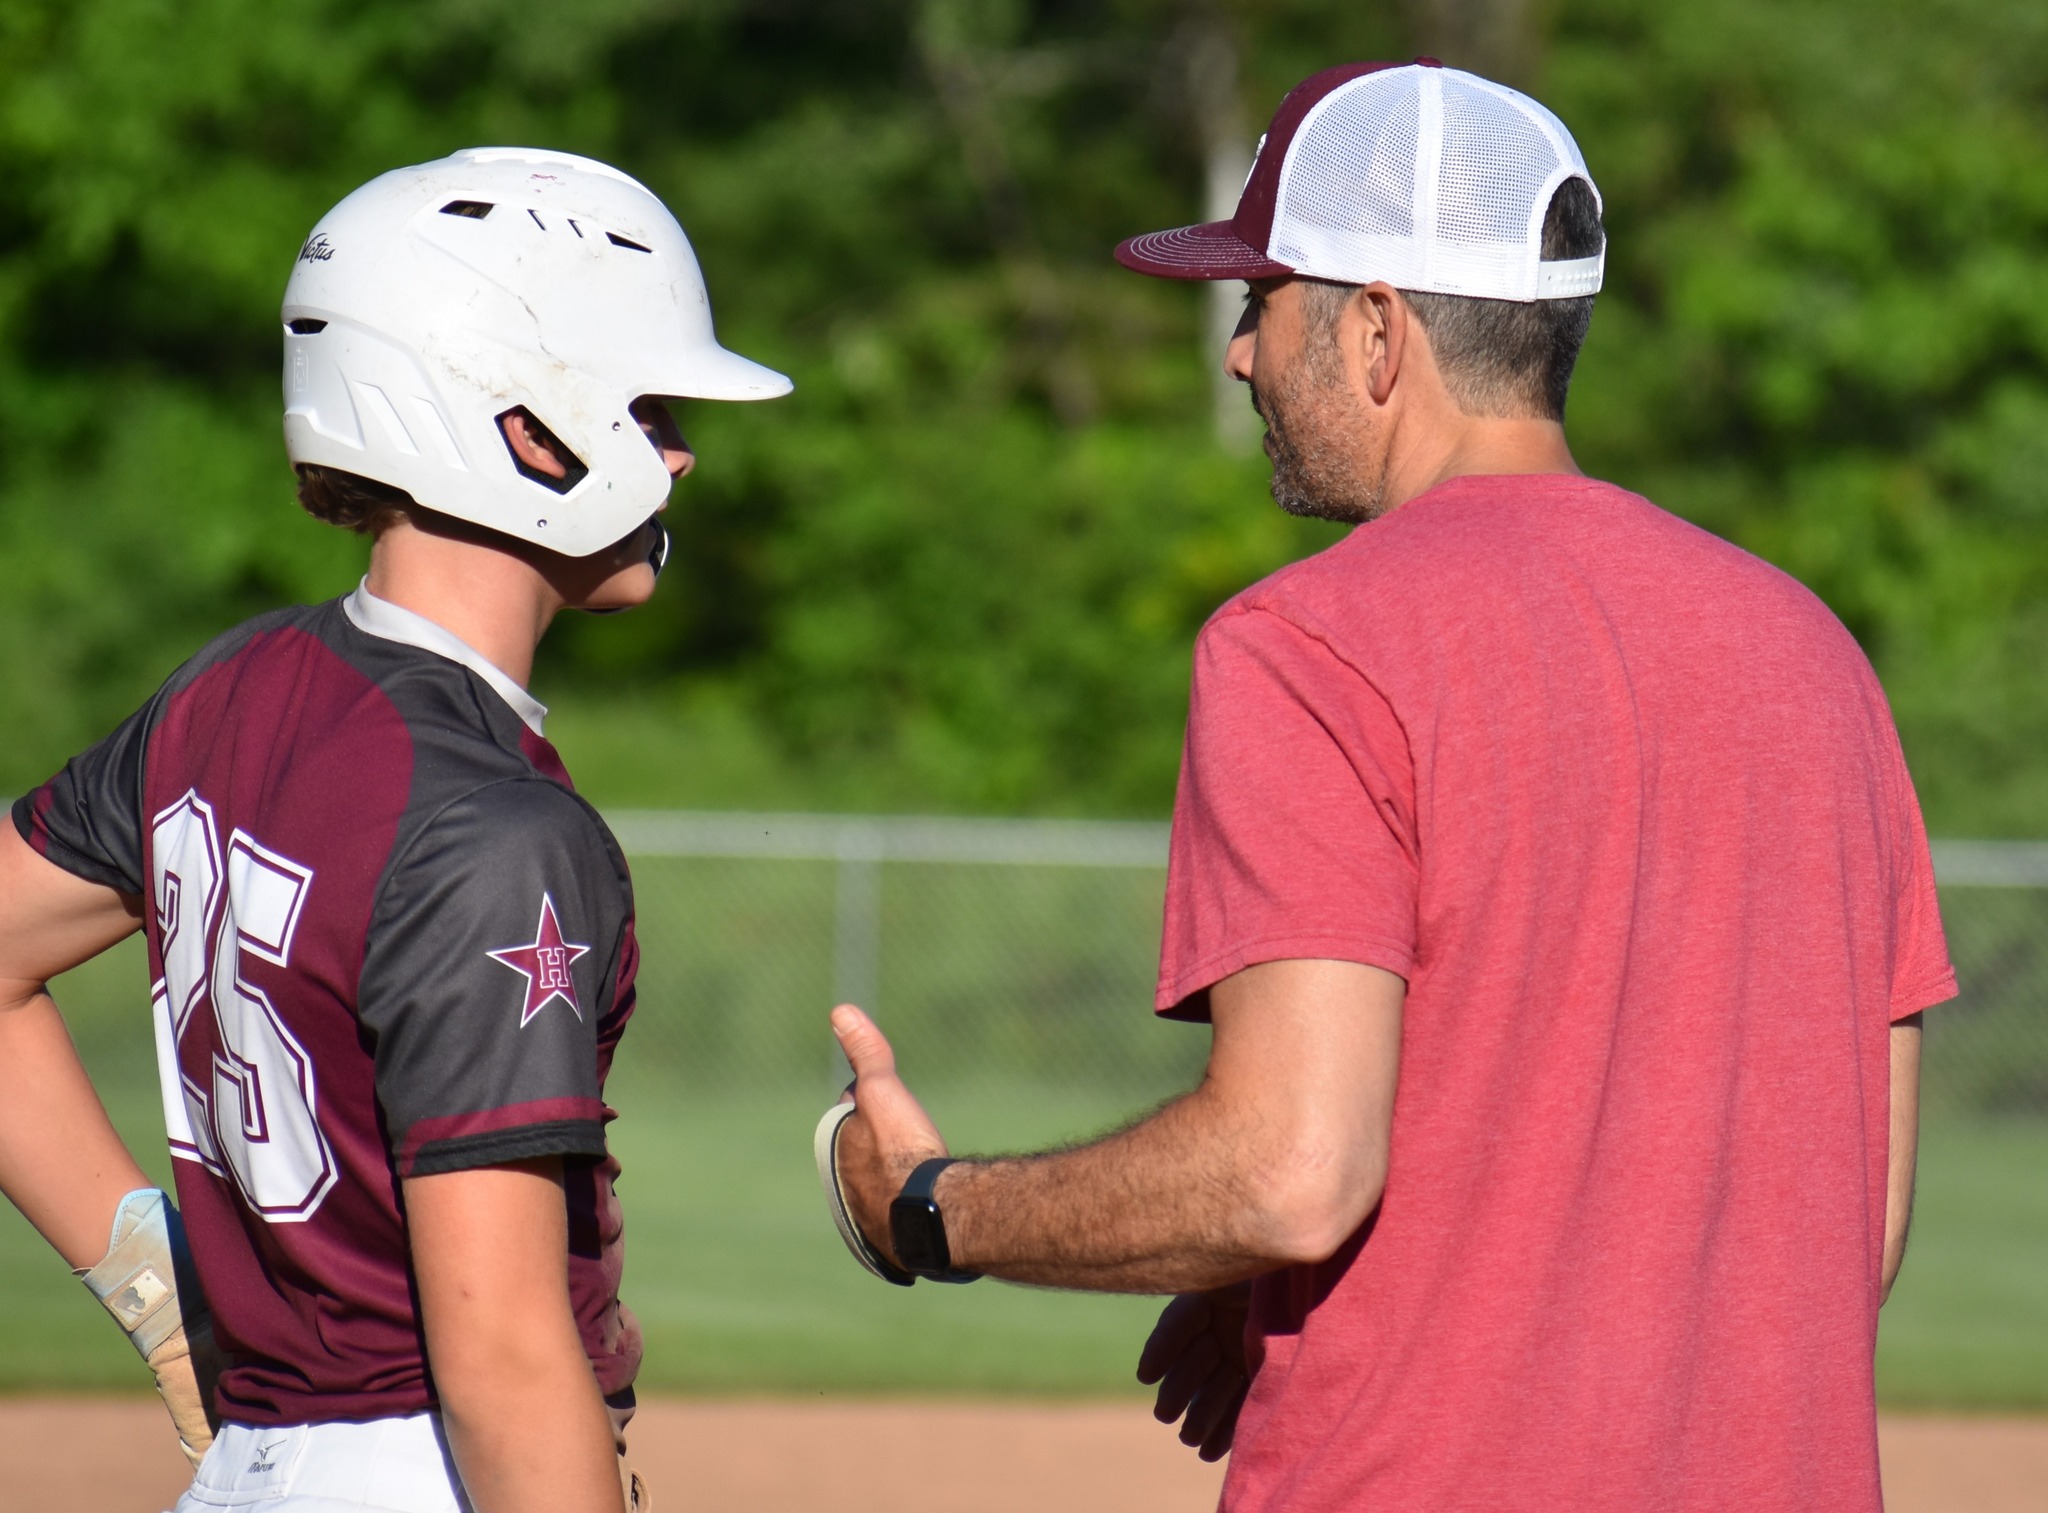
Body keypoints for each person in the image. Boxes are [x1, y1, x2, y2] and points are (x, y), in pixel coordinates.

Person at [821, 61, 1953, 1513]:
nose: (1239, 355)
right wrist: (1339, 1286)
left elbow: (1290, 1167)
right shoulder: (1815, 657)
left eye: (1259, 302)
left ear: (1374, 326)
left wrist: (934, 1210)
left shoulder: (1309, 641)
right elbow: (1853, 1219)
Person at [0, 146, 789, 1512]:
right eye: (647, 406)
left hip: (250, 1470)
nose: (679, 451)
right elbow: (498, 1356)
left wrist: (154, 1282)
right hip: (423, 1467)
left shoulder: (228, 691)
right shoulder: (499, 827)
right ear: (523, 430)